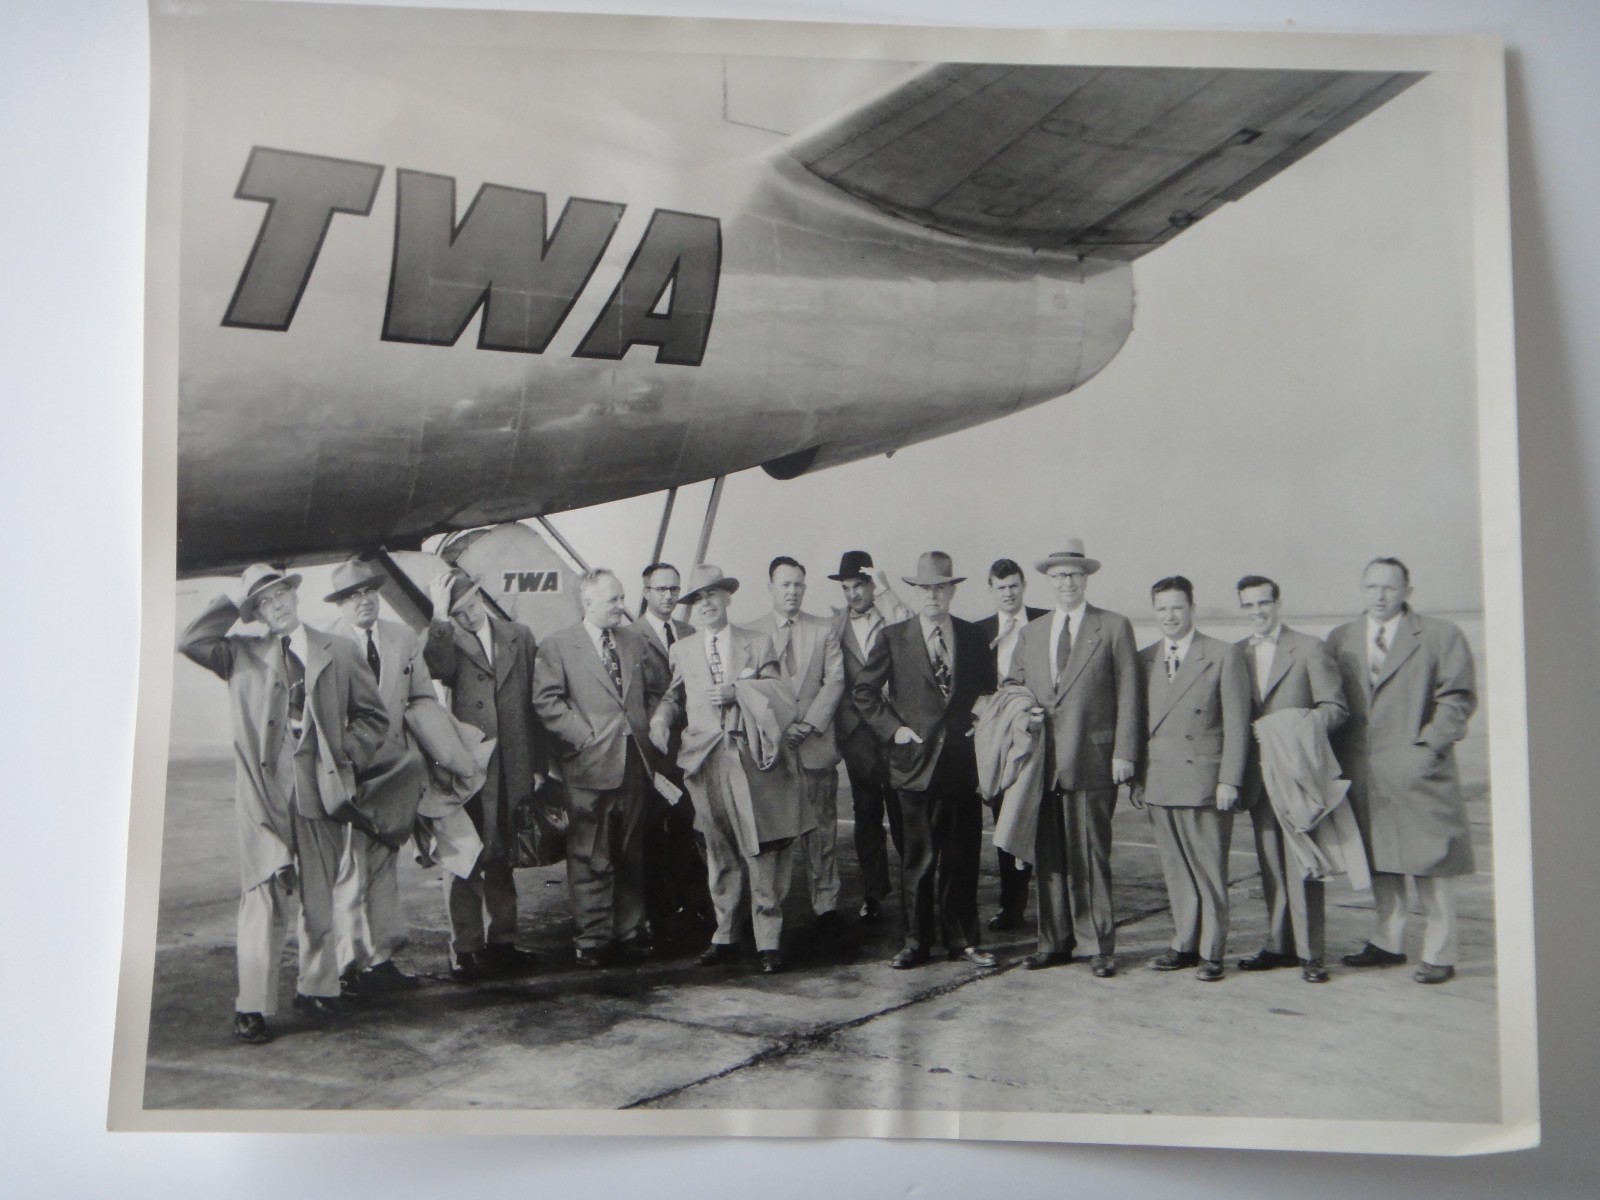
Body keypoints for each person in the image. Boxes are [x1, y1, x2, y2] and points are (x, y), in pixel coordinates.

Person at [178, 563, 388, 1043]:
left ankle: (317, 988)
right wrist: (235, 598)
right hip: (262, 797)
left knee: (319, 898)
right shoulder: (237, 654)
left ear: (295, 597)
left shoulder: (340, 649)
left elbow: (373, 718)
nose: (275, 606)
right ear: (254, 613)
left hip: (321, 794)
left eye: (279, 595)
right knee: (262, 897)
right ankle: (250, 1005)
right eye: (262, 602)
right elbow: (189, 639)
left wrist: (343, 757)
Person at [649, 565, 812, 974]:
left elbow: (782, 695)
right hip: (704, 760)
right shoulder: (683, 649)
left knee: (761, 849)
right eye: (698, 599)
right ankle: (725, 935)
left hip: (750, 759)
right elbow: (674, 696)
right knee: (718, 849)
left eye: (713, 595)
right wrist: (660, 719)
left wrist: (738, 690)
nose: (706, 604)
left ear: (727, 598)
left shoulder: (758, 643)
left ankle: (768, 942)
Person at [1325, 558, 1478, 985]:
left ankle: (1439, 952)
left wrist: (1427, 749)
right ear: (1361, 588)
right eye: (1371, 586)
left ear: (1407, 591)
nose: (1379, 596)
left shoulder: (1440, 636)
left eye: (1389, 588)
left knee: (1433, 863)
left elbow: (1458, 699)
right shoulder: (1342, 639)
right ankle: (1387, 942)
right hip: (1366, 773)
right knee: (1381, 862)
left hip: (1417, 771)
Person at [853, 551, 998, 971]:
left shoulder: (972, 637)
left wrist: (980, 719)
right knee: (917, 862)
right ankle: (916, 943)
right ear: (915, 593)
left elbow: (988, 691)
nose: (932, 595)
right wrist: (894, 729)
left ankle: (964, 941)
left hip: (960, 765)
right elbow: (864, 692)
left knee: (962, 857)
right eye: (924, 588)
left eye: (940, 587)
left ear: (952, 590)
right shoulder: (893, 637)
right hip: (912, 764)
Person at [1002, 539, 1140, 978]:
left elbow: (1130, 696)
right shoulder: (1032, 632)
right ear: (1048, 580)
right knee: (1049, 858)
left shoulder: (1113, 627)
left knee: (1091, 857)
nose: (1067, 583)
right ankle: (1054, 942)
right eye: (1059, 575)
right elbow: (1012, 687)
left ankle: (1098, 945)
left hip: (1094, 760)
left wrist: (1124, 753)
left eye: (1074, 575)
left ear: (1087, 579)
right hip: (1043, 764)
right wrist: (1022, 712)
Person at [533, 569, 667, 967]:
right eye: (612, 600)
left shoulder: (633, 641)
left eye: (622, 598)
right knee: (589, 853)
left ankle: (629, 932)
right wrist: (583, 736)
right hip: (588, 767)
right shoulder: (558, 645)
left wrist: (653, 721)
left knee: (630, 853)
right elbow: (546, 702)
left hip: (634, 764)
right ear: (587, 602)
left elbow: (659, 691)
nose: (620, 606)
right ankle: (591, 939)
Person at [423, 567, 546, 982]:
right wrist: (440, 616)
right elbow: (435, 666)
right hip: (471, 767)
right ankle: (466, 949)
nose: (469, 615)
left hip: (513, 764)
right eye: (459, 612)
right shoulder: (448, 640)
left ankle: (504, 942)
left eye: (472, 605)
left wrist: (539, 766)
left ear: (483, 596)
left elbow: (535, 704)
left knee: (503, 854)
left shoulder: (520, 636)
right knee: (466, 856)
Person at [1132, 577, 1250, 983]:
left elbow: (1237, 725)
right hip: (1160, 780)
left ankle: (1212, 951)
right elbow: (1138, 724)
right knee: (1175, 869)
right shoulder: (1143, 658)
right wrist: (1136, 776)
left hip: (1204, 781)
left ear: (1192, 609)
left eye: (1177, 608)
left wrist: (1229, 780)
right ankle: (1184, 943)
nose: (1169, 616)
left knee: (1209, 869)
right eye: (1162, 608)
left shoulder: (1221, 655)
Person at [1233, 574, 1349, 984]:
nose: (1257, 612)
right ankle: (1279, 945)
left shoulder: (1309, 649)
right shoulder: (1235, 655)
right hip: (1259, 779)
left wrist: (1292, 728)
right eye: (1248, 605)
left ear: (1277, 603)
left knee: (1304, 864)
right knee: (1269, 866)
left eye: (1263, 603)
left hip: (1298, 777)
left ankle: (1311, 954)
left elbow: (1335, 708)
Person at [325, 559, 432, 996]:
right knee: (350, 870)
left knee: (385, 870)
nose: (363, 600)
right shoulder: (325, 645)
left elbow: (421, 698)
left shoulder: (402, 637)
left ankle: (382, 961)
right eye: (352, 595)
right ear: (340, 604)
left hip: (395, 776)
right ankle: (347, 967)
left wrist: (420, 760)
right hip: (351, 777)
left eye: (369, 591)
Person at [748, 556, 847, 937]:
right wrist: (778, 728)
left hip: (814, 744)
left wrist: (807, 725)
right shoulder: (751, 634)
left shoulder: (824, 630)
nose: (792, 591)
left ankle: (826, 904)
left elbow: (834, 680)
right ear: (770, 587)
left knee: (822, 829)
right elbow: (751, 689)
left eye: (798, 585)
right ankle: (770, 912)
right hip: (773, 751)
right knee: (774, 834)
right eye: (785, 584)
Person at [627, 562, 711, 941]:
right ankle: (657, 912)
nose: (668, 596)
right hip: (651, 751)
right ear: (645, 592)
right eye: (661, 589)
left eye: (674, 589)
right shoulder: (629, 637)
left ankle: (690, 904)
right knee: (650, 833)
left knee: (687, 826)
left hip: (689, 746)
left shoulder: (689, 632)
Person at [827, 551, 911, 923]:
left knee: (902, 807)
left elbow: (912, 623)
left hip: (893, 727)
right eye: (846, 588)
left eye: (858, 586)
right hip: (856, 733)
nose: (852, 594)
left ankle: (914, 884)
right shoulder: (835, 625)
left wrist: (889, 591)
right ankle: (874, 891)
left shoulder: (891, 616)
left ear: (872, 585)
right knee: (866, 813)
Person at [971, 558, 1047, 932]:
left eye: (1014, 585)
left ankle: (1053, 907)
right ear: (991, 589)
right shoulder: (977, 632)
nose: (1009, 593)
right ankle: (1012, 908)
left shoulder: (1046, 622)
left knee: (1045, 822)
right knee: (1005, 821)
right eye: (1001, 587)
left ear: (1024, 586)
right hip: (1002, 742)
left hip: (1044, 735)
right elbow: (969, 687)